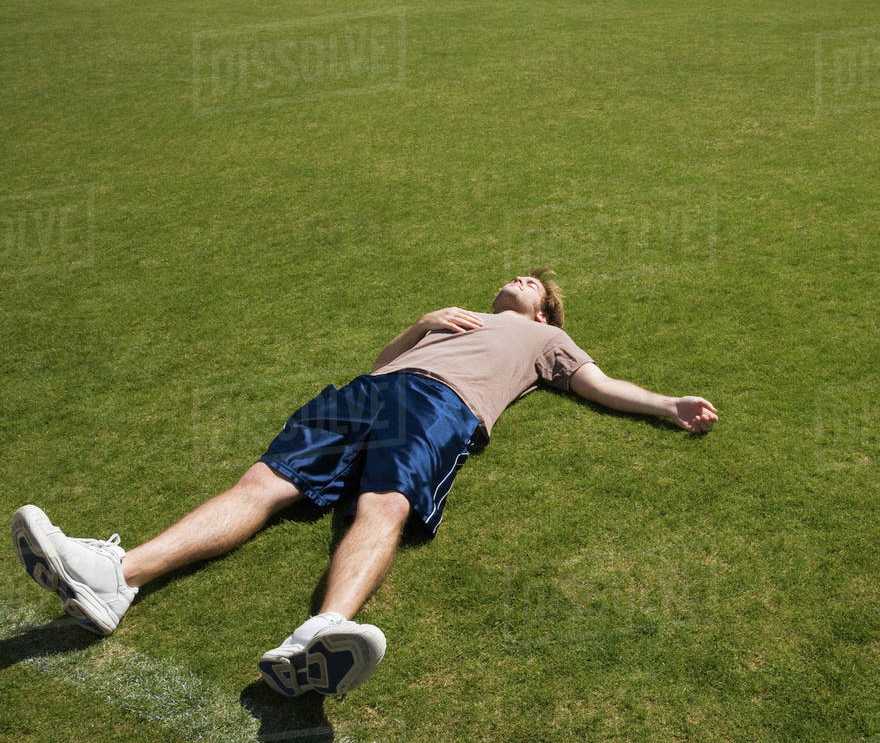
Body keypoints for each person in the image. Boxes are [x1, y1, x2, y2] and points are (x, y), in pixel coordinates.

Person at [10, 269, 718, 698]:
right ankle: (114, 576)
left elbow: (599, 385)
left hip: (443, 405)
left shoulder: (545, 342)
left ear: (543, 315)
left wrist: (666, 404)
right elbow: (379, 361)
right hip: (365, 393)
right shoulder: (452, 317)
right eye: (522, 276)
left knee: (385, 502)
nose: (525, 278)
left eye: (536, 285)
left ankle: (322, 633)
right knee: (262, 483)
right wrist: (419, 325)